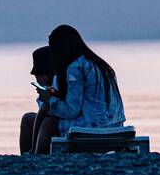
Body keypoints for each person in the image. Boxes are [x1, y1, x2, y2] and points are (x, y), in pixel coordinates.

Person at [30, 25, 126, 155]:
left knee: (48, 122)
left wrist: (49, 101)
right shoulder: (99, 65)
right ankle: (33, 155)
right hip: (115, 128)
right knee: (34, 118)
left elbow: (71, 111)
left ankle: (35, 158)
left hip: (91, 129)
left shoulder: (75, 68)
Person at [20, 45, 55, 154]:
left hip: (63, 123)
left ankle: (35, 154)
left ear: (44, 76)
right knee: (28, 118)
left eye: (37, 76)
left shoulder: (56, 86)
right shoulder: (49, 87)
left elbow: (43, 113)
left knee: (46, 122)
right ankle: (28, 155)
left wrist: (46, 99)